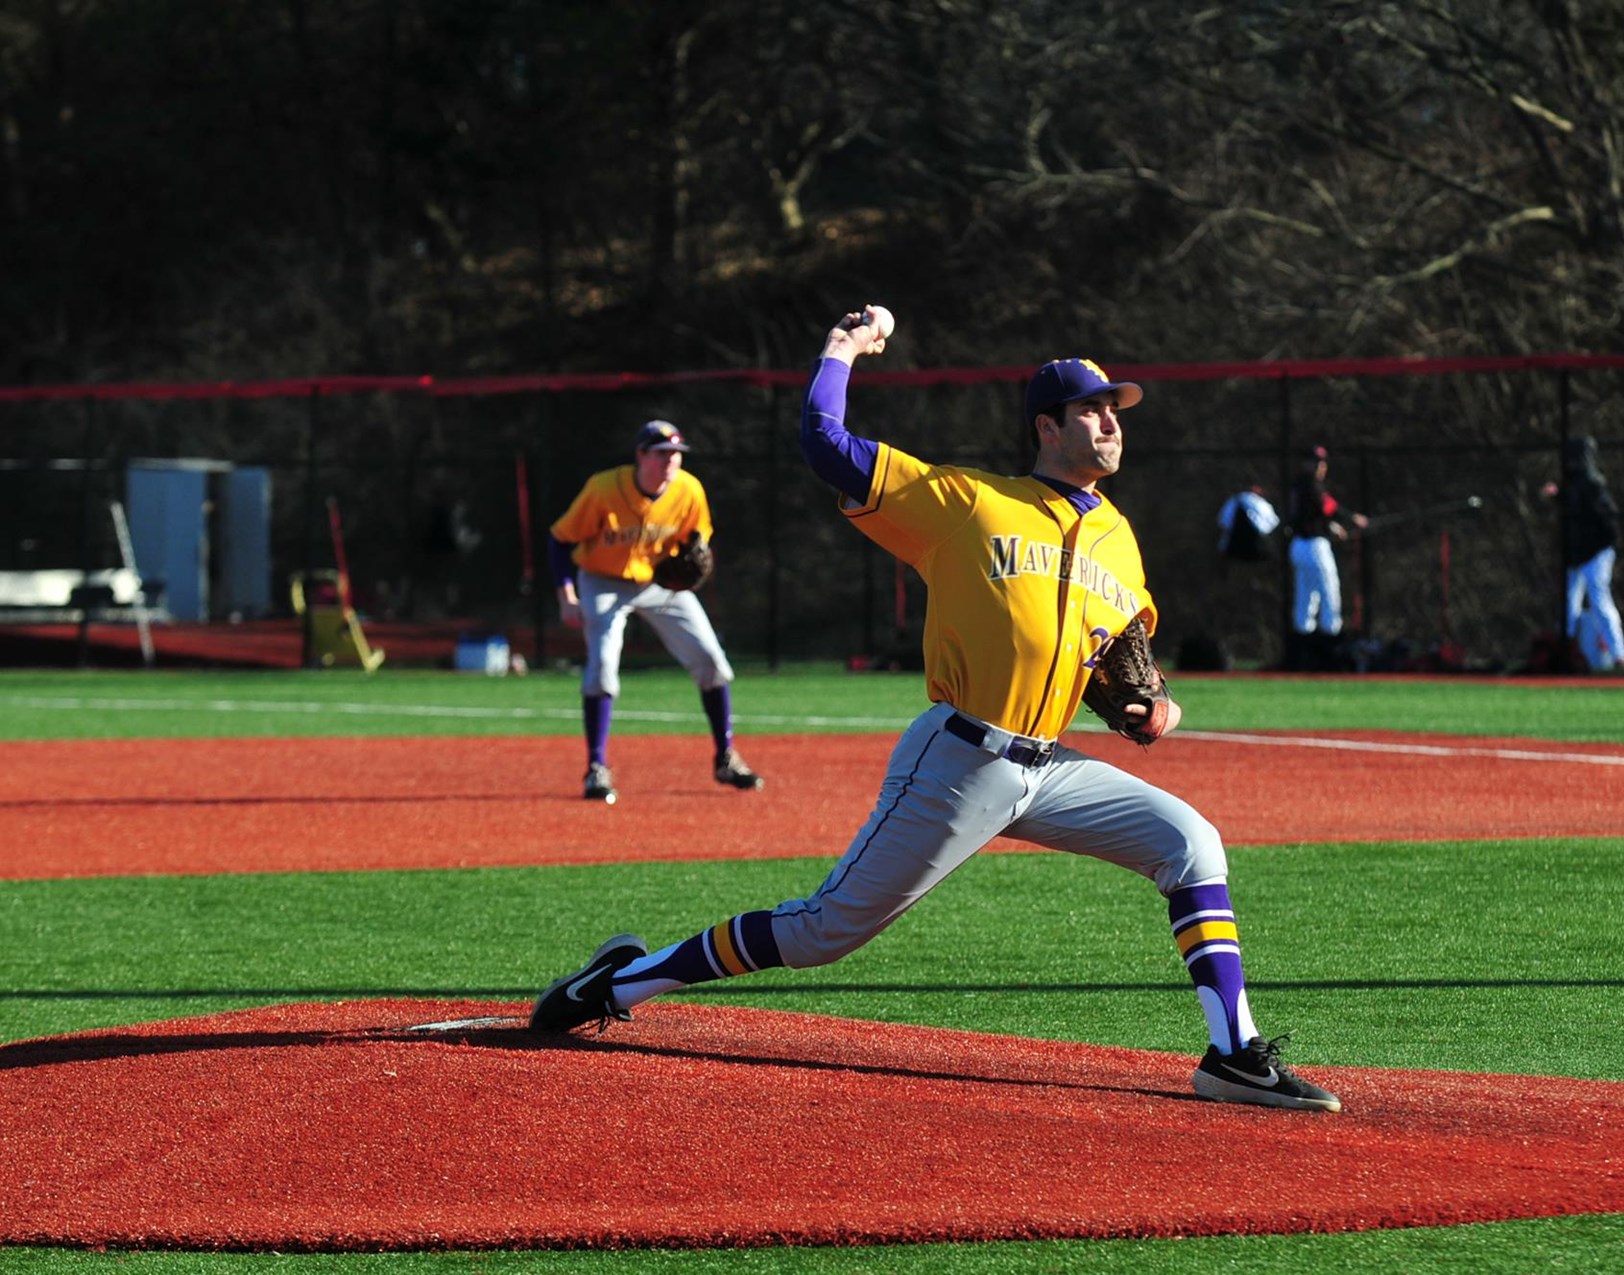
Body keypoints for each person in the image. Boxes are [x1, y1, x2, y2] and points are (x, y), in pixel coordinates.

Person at [528, 309, 1342, 1113]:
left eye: (1115, 409)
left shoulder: (1119, 540)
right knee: (820, 932)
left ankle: (1232, 1054)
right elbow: (826, 445)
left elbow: (1115, 663)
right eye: (1092, 408)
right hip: (958, 759)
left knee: (1191, 841)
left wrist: (1149, 706)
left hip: (1049, 766)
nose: (1109, 422)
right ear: (1047, 426)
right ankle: (623, 979)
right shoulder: (968, 501)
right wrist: (841, 350)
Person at [548, 418, 763, 803]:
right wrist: (567, 595)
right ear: (641, 456)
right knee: (603, 666)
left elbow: (699, 538)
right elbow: (560, 540)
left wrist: (695, 555)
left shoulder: (688, 490)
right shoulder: (603, 488)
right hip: (602, 580)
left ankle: (725, 757)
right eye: (662, 454)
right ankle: (596, 767)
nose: (670, 462)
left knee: (711, 660)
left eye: (676, 455)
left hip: (659, 585)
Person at [1542, 435, 1624, 670]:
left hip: (1597, 553)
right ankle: (1564, 653)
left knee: (1599, 599)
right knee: (1569, 605)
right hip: (1578, 555)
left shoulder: (1592, 485)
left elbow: (1609, 524)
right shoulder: (1574, 486)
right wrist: (1557, 496)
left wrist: (1603, 545)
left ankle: (1620, 655)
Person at [1285, 445, 1367, 650]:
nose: (1320, 467)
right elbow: (1328, 507)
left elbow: (1311, 514)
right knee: (1329, 592)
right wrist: (1352, 518)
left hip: (1299, 545)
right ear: (1306, 464)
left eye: (1322, 463)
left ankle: (1302, 644)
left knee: (1306, 595)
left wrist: (1331, 527)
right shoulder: (1311, 485)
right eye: (1316, 463)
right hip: (1313, 546)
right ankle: (1331, 643)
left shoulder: (1297, 485)